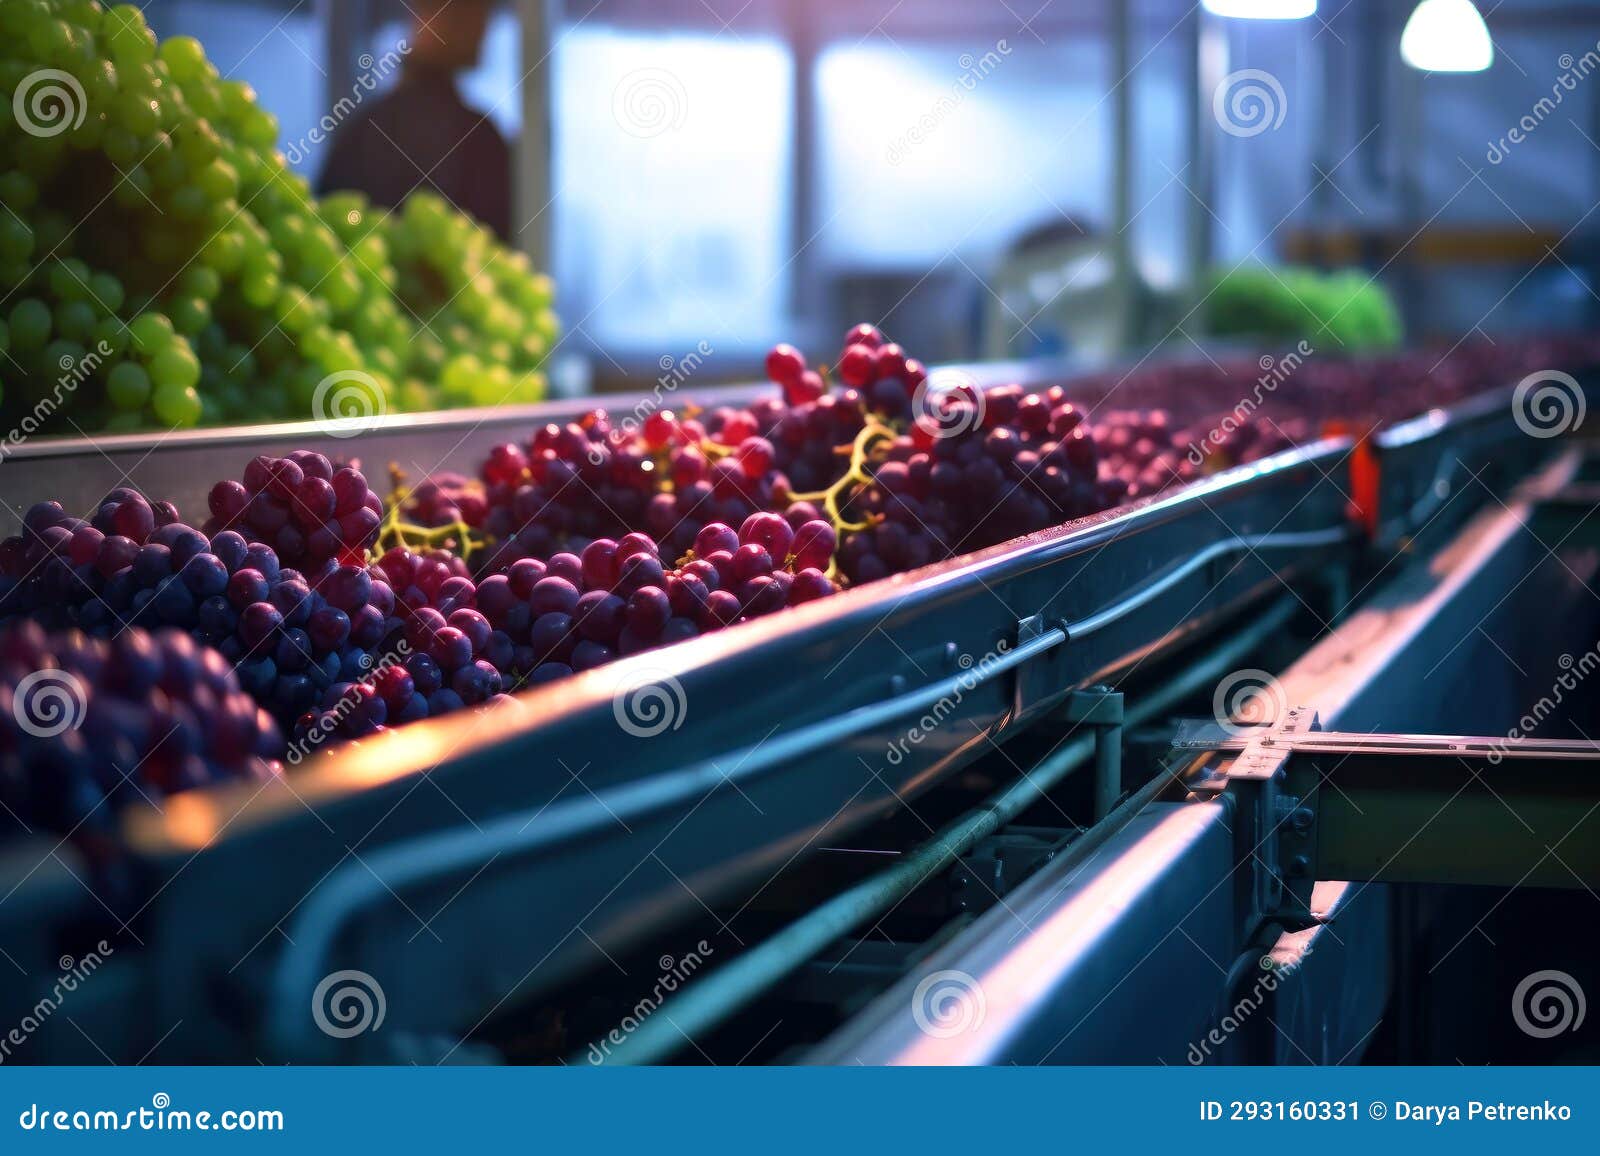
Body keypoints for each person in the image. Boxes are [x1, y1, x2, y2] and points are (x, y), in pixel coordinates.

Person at [317, 0, 512, 240]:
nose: (483, 28)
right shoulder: (480, 138)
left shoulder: (363, 127)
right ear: (425, 14)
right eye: (472, 11)